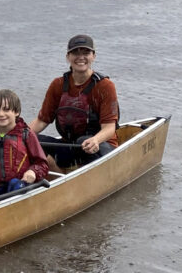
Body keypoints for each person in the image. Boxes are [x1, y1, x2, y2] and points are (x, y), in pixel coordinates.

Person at [29, 34, 120, 172]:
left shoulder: (105, 86)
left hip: (100, 147)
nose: (81, 57)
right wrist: (19, 135)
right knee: (31, 141)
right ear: (68, 57)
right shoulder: (58, 84)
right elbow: (42, 121)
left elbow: (109, 128)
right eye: (75, 52)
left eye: (86, 52)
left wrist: (95, 140)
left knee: (83, 141)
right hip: (70, 147)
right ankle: (60, 176)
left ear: (93, 56)